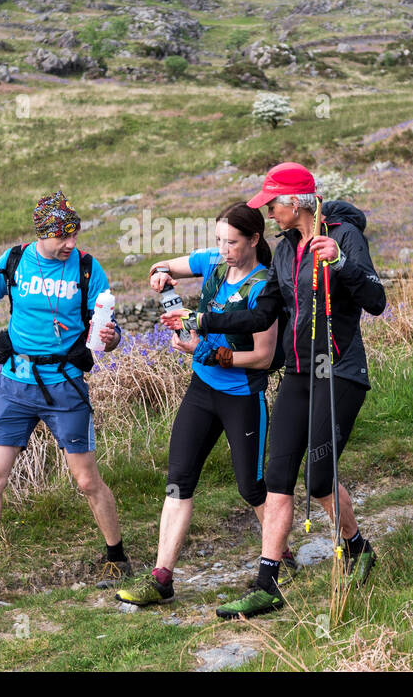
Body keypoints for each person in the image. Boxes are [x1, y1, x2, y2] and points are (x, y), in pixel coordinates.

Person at [161, 163, 387, 619]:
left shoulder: (343, 237)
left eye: (273, 204)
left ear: (296, 202)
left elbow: (376, 301)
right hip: (301, 375)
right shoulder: (284, 253)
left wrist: (341, 264)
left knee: (318, 480)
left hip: (339, 371)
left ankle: (358, 547)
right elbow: (261, 315)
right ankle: (268, 585)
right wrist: (202, 321)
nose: (268, 213)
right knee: (278, 477)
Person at [0, 192, 130, 612]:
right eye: (62, 237)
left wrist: (111, 338)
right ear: (43, 234)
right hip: (14, 386)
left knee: (87, 481)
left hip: (66, 387)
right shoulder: (15, 261)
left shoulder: (89, 269)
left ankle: (117, 558)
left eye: (74, 235)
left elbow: (107, 330)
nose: (71, 244)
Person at [116, 202, 299, 606]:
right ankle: (161, 577)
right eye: (218, 240)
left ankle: (279, 555)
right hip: (202, 392)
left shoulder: (263, 286)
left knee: (251, 488)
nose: (223, 250)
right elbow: (165, 266)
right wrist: (161, 276)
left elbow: (265, 358)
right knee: (178, 480)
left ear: (254, 239)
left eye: (231, 242)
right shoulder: (214, 265)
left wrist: (207, 350)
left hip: (242, 396)